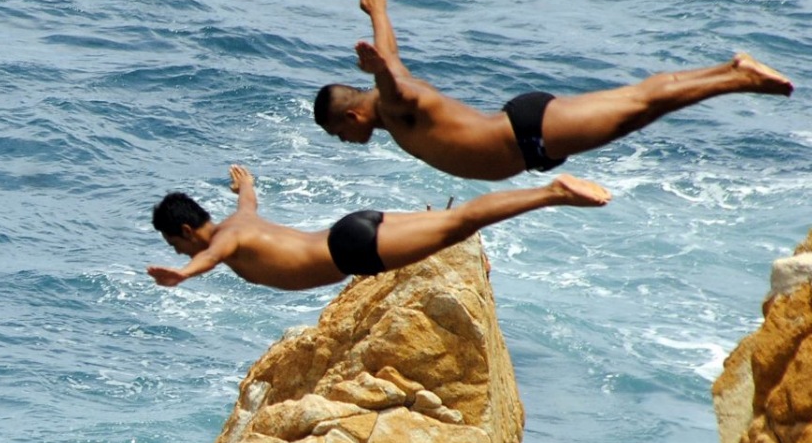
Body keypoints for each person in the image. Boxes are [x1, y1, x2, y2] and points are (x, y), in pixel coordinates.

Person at [313, 0, 795, 181]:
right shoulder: (390, 102)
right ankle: (731, 69)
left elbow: (392, 82)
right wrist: (377, 11)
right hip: (526, 135)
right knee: (637, 103)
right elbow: (392, 62)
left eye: (340, 134)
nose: (345, 142)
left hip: (527, 134)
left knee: (639, 109)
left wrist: (379, 69)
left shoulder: (392, 107)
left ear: (353, 116)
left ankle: (740, 80)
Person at [147, 164, 610, 291]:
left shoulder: (224, 240)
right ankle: (545, 198)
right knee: (452, 223)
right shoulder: (239, 220)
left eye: (174, 245)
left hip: (352, 251)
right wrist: (243, 183)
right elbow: (249, 198)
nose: (177, 253)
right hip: (351, 229)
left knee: (462, 220)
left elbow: (209, 257)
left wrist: (184, 276)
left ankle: (552, 194)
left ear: (187, 230)